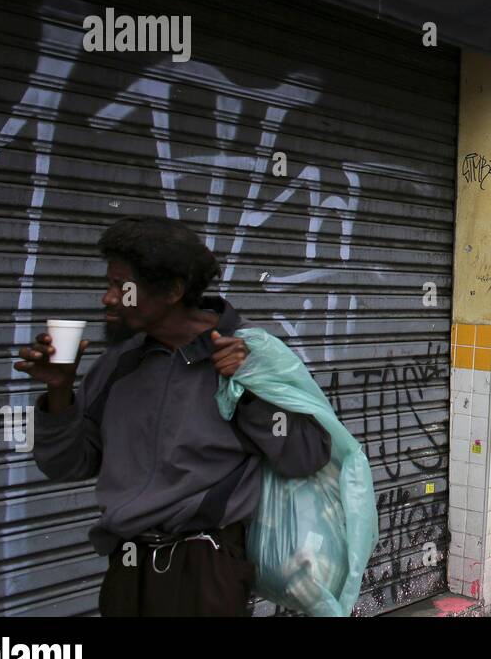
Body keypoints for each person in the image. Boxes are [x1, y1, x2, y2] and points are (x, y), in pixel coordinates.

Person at [18, 215, 333, 616]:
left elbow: (308, 454)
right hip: (127, 567)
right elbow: (67, 464)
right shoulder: (119, 365)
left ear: (172, 290)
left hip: (205, 569)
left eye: (122, 286)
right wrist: (59, 393)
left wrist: (251, 389)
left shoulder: (250, 353)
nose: (108, 298)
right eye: (109, 284)